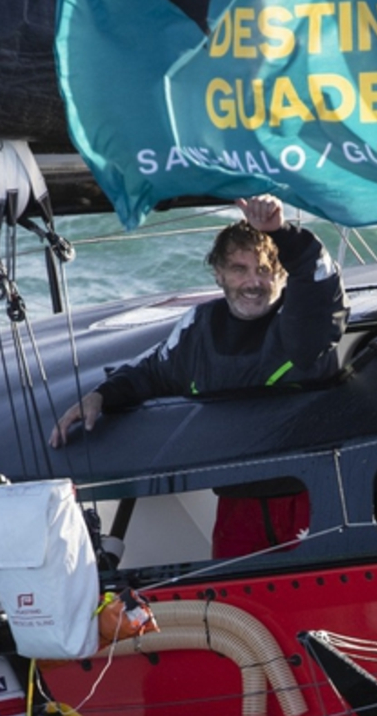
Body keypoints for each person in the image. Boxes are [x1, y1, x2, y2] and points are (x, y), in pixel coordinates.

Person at [49, 194, 347, 557]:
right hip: (236, 505)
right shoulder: (197, 328)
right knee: (230, 609)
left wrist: (281, 232)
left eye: (265, 270)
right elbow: (150, 373)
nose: (253, 282)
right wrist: (101, 396)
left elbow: (319, 276)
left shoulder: (303, 324)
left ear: (281, 274)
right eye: (240, 269)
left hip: (311, 498)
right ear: (219, 273)